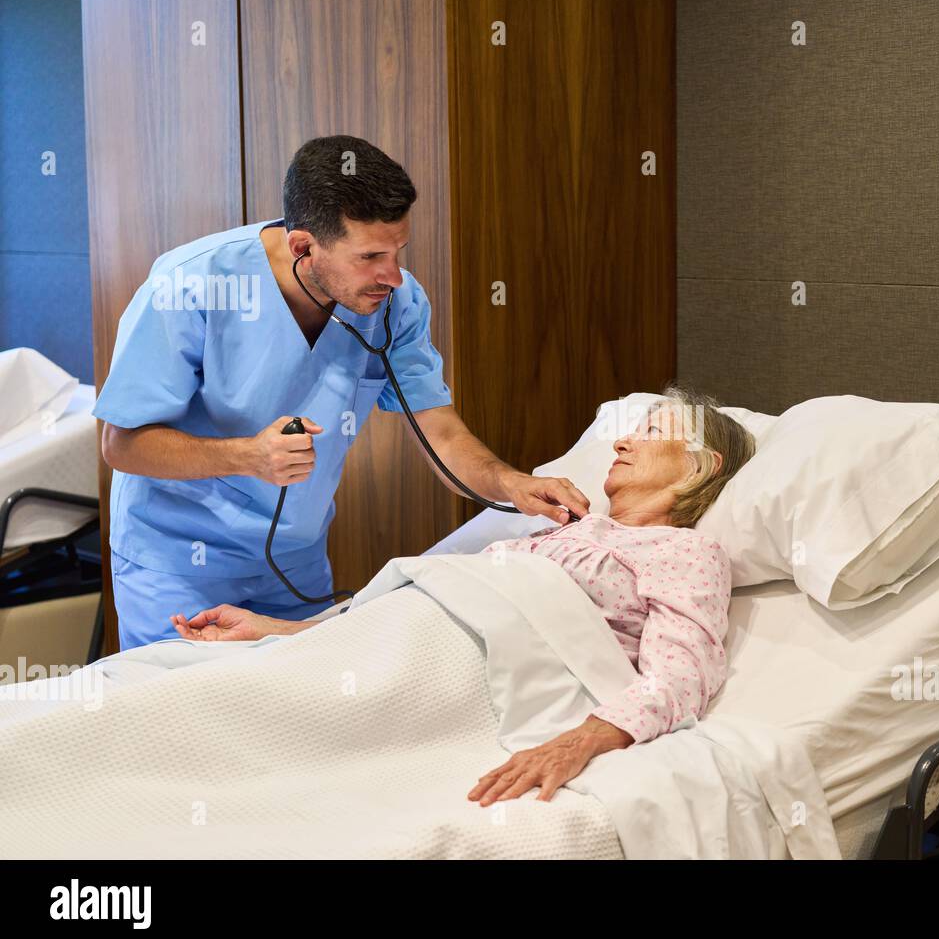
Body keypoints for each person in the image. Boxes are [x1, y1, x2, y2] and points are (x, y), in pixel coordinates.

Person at [95, 135, 589, 649]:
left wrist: (510, 484)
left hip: (296, 563)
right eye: (370, 255)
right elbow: (122, 444)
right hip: (180, 564)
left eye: (398, 250)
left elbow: (439, 430)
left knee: (302, 716)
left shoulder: (395, 302)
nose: (392, 275)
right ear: (303, 247)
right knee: (183, 718)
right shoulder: (191, 287)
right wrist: (248, 457)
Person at [171, 389, 757, 806]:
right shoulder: (562, 530)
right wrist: (280, 632)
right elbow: (432, 607)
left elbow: (682, 678)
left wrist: (581, 741)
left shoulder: (683, 552)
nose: (625, 440)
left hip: (451, 682)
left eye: (652, 432)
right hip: (384, 651)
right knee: (186, 701)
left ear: (703, 464)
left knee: (206, 735)